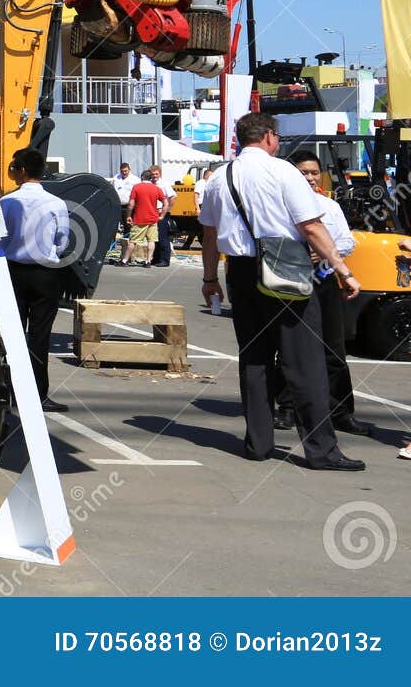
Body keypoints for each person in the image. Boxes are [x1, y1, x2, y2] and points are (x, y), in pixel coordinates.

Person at [198, 113, 364, 470]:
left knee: (254, 358)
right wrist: (343, 270)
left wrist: (209, 278)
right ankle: (321, 449)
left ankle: (258, 443)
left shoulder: (218, 178)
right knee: (303, 361)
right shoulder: (283, 171)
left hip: (240, 272)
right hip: (284, 266)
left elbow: (209, 236)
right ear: (270, 137)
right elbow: (312, 226)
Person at [271, 151, 371, 436]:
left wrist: (325, 253)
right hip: (292, 282)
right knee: (291, 350)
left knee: (334, 349)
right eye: (304, 172)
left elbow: (347, 241)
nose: (310, 177)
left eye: (314, 172)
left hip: (325, 281)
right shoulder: (281, 207)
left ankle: (340, 412)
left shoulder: (329, 206)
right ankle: (288, 408)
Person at [1, 147, 72, 413]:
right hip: (45, 274)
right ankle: (38, 395)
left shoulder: (7, 202)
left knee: (13, 336)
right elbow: (62, 241)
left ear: (20, 170)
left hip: (14, 271)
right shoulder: (56, 203)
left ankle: (9, 391)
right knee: (40, 337)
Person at [125, 166, 169, 266]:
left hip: (139, 218)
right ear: (150, 178)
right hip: (153, 219)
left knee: (133, 241)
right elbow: (165, 203)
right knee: (151, 240)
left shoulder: (136, 187)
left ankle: (124, 260)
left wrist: (128, 215)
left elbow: (131, 204)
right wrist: (162, 216)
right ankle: (148, 261)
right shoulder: (156, 188)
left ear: (142, 177)